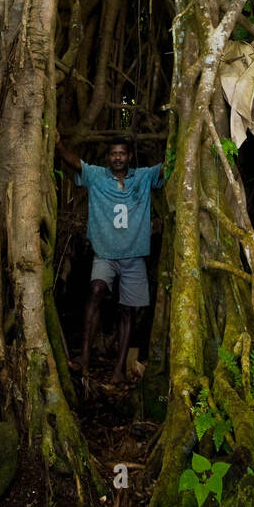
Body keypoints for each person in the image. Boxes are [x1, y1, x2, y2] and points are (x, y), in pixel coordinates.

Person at [55, 130, 165, 383]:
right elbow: (73, 162)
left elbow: (167, 167)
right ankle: (84, 358)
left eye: (121, 154)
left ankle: (118, 370)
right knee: (95, 290)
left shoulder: (143, 177)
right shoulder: (96, 176)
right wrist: (59, 145)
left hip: (134, 257)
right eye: (113, 154)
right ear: (109, 157)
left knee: (127, 310)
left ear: (129, 156)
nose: (117, 158)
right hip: (104, 254)